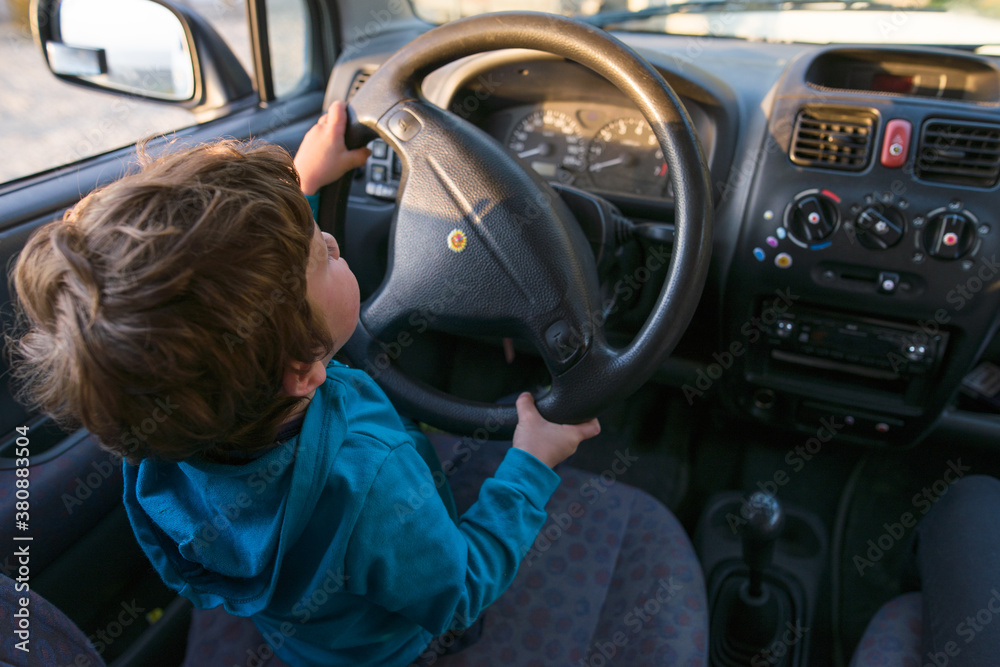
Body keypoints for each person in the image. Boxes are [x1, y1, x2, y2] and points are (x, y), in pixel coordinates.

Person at [7, 100, 606, 665]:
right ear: (303, 370)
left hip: (306, 637)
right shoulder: (372, 477)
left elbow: (256, 295)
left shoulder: (158, 447)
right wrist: (531, 462)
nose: (331, 239)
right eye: (319, 255)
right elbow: (460, 589)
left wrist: (303, 185)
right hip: (388, 646)